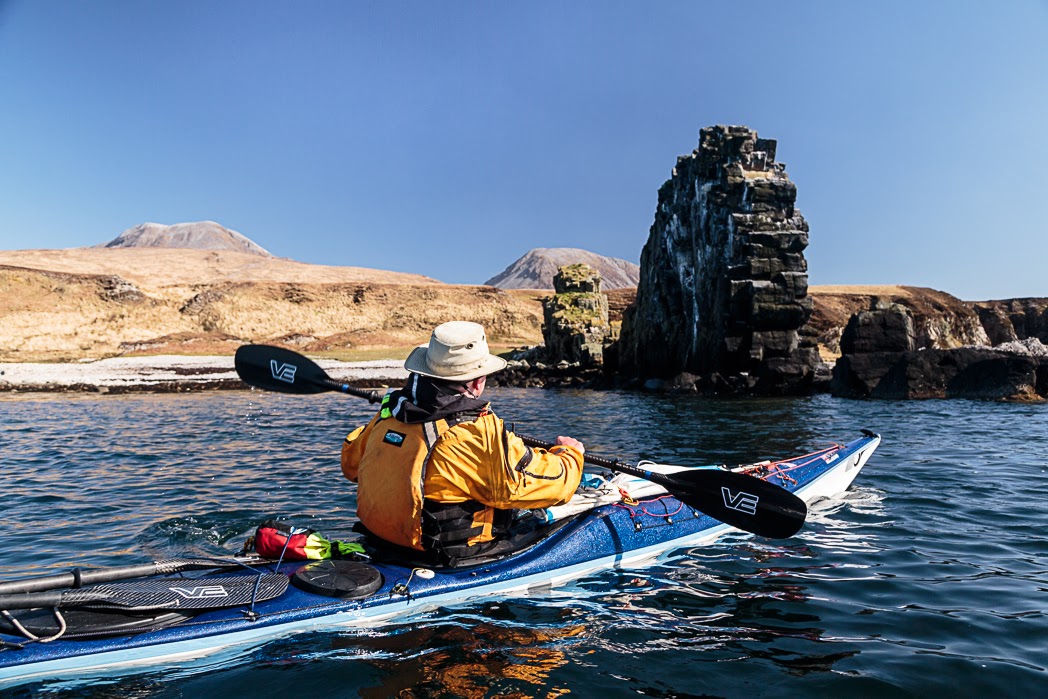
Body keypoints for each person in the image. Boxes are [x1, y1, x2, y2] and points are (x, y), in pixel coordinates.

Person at [341, 320, 585, 563]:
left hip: (381, 542)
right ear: (478, 382)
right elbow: (521, 487)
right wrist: (570, 456)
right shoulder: (471, 432)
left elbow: (351, 465)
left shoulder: (390, 413)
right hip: (442, 554)